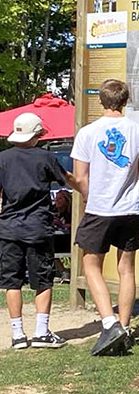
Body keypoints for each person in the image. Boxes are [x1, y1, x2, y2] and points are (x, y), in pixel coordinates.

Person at [72, 79, 139, 356]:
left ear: (101, 100)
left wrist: (88, 197)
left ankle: (109, 323)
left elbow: (81, 177)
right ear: (126, 100)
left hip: (100, 208)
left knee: (91, 266)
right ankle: (125, 326)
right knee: (126, 269)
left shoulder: (87, 133)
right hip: (130, 209)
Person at [0, 112, 78, 349]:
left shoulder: (2, 159)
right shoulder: (46, 158)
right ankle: (42, 332)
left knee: (11, 281)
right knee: (42, 279)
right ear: (37, 135)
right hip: (38, 227)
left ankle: (17, 335)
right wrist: (85, 187)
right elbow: (67, 179)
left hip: (8, 228)